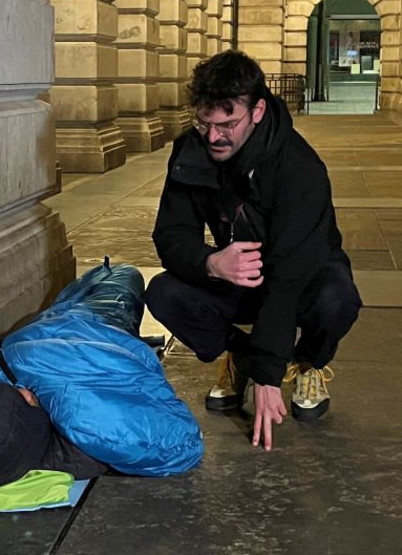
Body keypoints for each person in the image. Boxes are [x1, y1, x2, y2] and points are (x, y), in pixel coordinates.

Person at [144, 50, 362, 451]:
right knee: (163, 292)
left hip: (303, 276)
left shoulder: (300, 168)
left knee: (337, 299)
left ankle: (308, 362)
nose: (213, 137)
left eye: (227, 125)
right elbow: (171, 235)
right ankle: (239, 354)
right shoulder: (191, 151)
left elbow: (288, 279)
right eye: (204, 123)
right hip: (238, 273)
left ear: (257, 111)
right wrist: (211, 263)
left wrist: (268, 375)